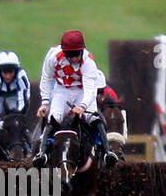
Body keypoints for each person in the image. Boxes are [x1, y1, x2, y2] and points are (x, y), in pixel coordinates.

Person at [33, 29, 116, 168]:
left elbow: (90, 89)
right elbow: (47, 79)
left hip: (82, 91)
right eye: (69, 55)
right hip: (62, 90)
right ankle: (42, 153)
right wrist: (45, 102)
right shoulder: (53, 56)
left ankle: (107, 152)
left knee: (94, 118)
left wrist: (83, 106)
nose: (73, 59)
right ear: (64, 52)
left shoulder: (88, 61)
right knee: (54, 117)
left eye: (76, 54)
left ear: (82, 50)